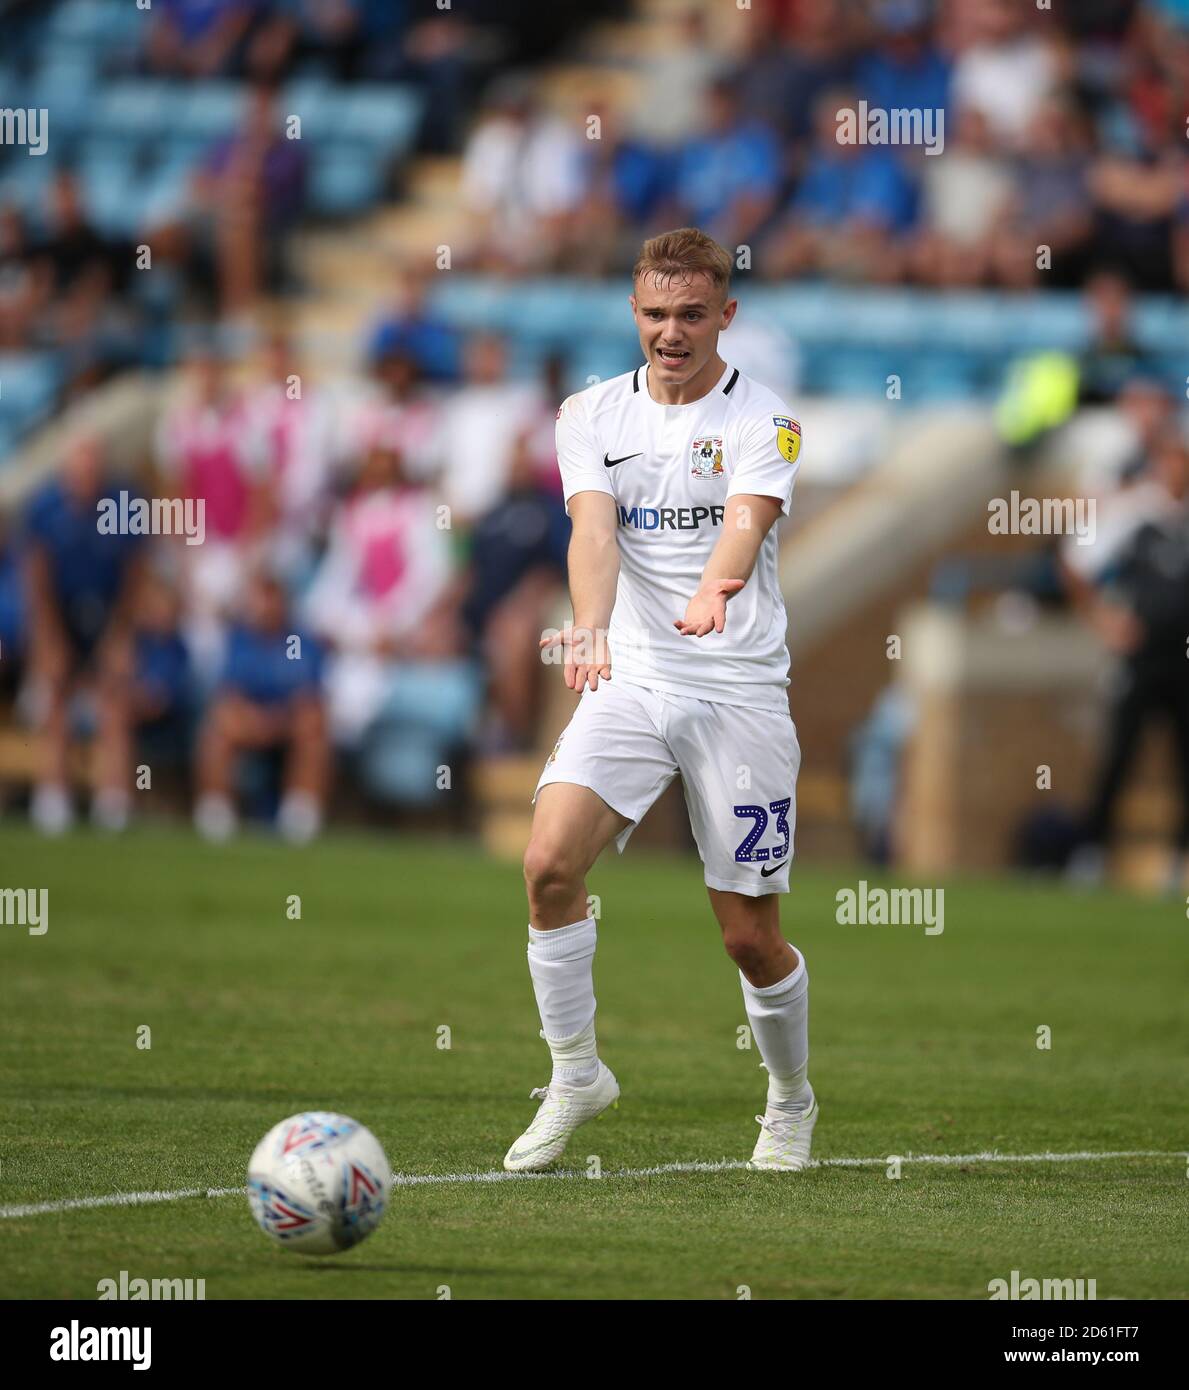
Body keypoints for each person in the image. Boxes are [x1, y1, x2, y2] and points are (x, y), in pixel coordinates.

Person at [506, 228, 815, 1174]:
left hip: (737, 693)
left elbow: (745, 523)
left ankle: (790, 1100)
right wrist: (590, 625)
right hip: (635, 675)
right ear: (632, 314)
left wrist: (716, 586)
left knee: (746, 936)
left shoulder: (768, 420)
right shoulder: (590, 414)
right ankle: (574, 1076)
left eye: (689, 315)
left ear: (726, 314)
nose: (670, 333)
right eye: (653, 314)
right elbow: (592, 532)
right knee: (548, 866)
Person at [1061, 424, 1189, 890]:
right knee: (1119, 755)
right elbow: (1076, 562)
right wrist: (1103, 620)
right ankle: (1091, 853)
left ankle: (1178, 863)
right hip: (1142, 658)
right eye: (1171, 459)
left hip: (1184, 662)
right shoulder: (1135, 512)